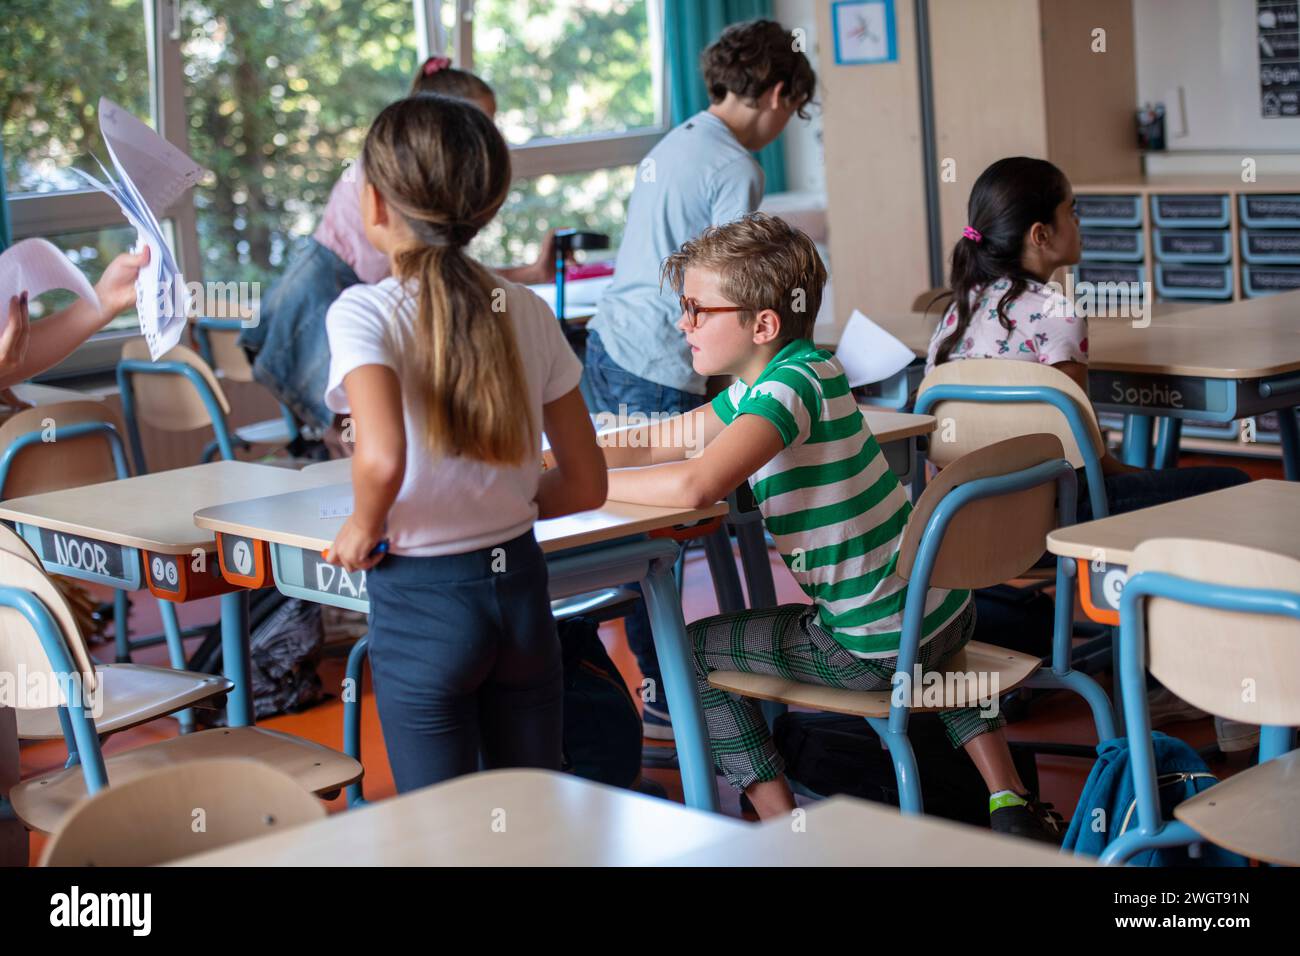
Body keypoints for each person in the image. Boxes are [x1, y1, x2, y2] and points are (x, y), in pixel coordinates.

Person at [597, 212, 1062, 840]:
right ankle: (1009, 799)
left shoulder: (782, 393)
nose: (683, 322)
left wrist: (583, 488)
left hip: (871, 651)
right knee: (917, 631)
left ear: (761, 323)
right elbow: (664, 441)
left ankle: (782, 829)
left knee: (693, 649)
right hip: (947, 613)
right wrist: (569, 458)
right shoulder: (807, 370)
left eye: (696, 308)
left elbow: (694, 483)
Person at [322, 94, 606, 792]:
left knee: (442, 831)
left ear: (378, 205)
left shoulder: (364, 312)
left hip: (423, 605)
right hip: (521, 601)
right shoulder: (529, 310)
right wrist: (500, 501)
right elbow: (587, 484)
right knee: (531, 811)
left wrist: (361, 528)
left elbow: (382, 457)